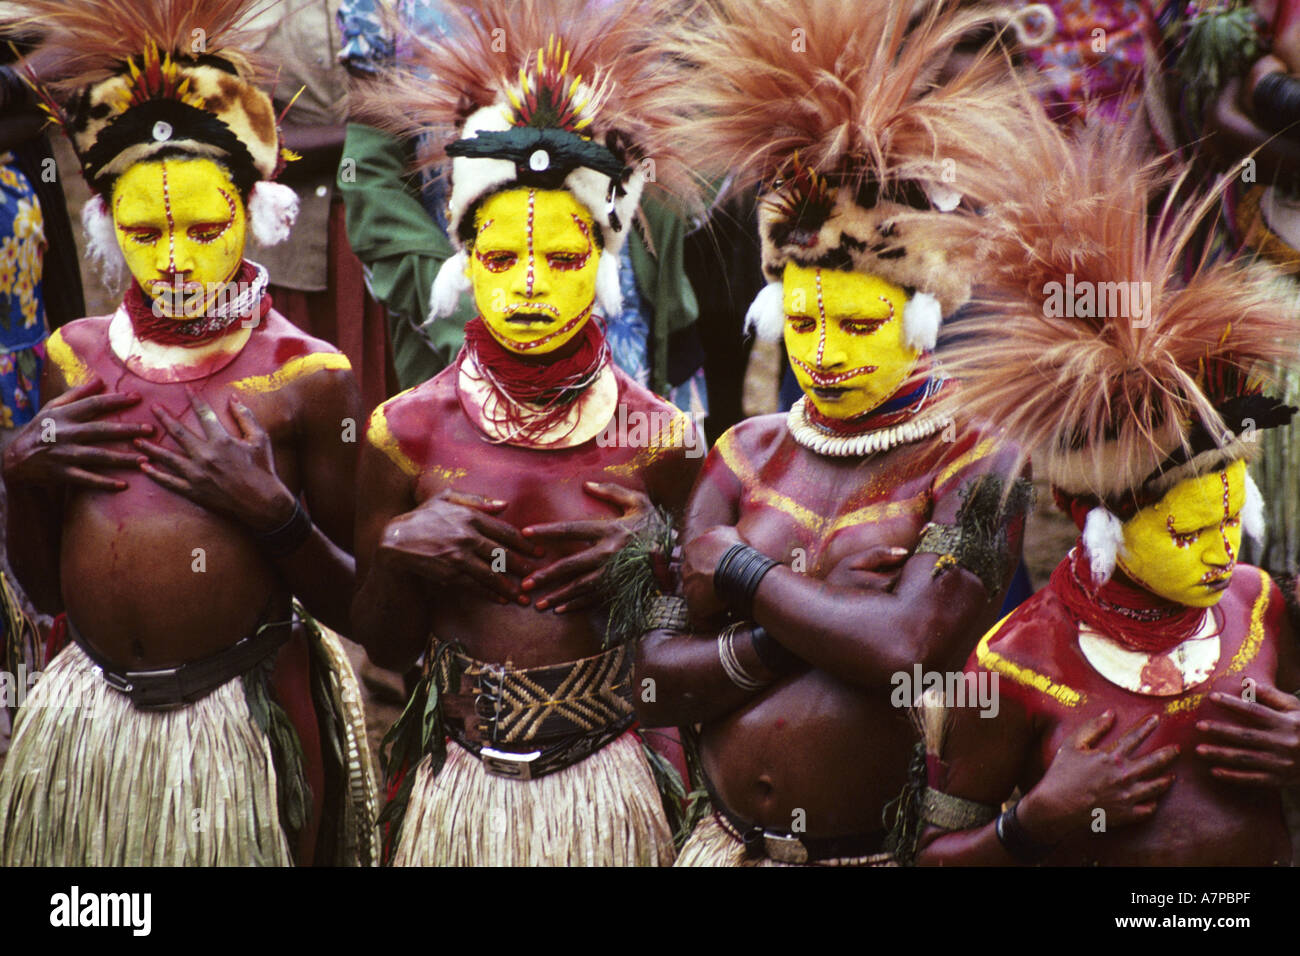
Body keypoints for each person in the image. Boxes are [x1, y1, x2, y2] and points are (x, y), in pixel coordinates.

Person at [634, 0, 1032, 867]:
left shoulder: (979, 458)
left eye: (857, 326)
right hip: (724, 841)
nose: (822, 354)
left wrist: (743, 573)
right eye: (804, 322)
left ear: (920, 316)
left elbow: (905, 652)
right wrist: (816, 615)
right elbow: (652, 674)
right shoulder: (745, 450)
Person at [0, 0, 377, 866]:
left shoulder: (308, 378)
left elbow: (365, 611)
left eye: (205, 230)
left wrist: (273, 514)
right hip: (92, 734)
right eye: (144, 231)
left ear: (255, 212)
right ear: (105, 227)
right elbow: (46, 593)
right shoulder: (74, 356)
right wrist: (21, 473)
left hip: (239, 723)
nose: (173, 258)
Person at [351, 0, 702, 866]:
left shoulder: (659, 438)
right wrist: (398, 547)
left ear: (606, 258)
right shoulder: (405, 433)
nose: (531, 286)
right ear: (463, 258)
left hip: (609, 789)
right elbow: (386, 643)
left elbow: (689, 645)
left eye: (564, 258)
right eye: (501, 258)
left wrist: (660, 559)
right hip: (461, 793)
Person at [916, 115, 1300, 866]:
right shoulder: (1014, 664)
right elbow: (932, 858)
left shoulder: (1261, 605)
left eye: (1231, 519)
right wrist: (1033, 822)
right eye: (1187, 534)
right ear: (1097, 522)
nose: (1222, 553)